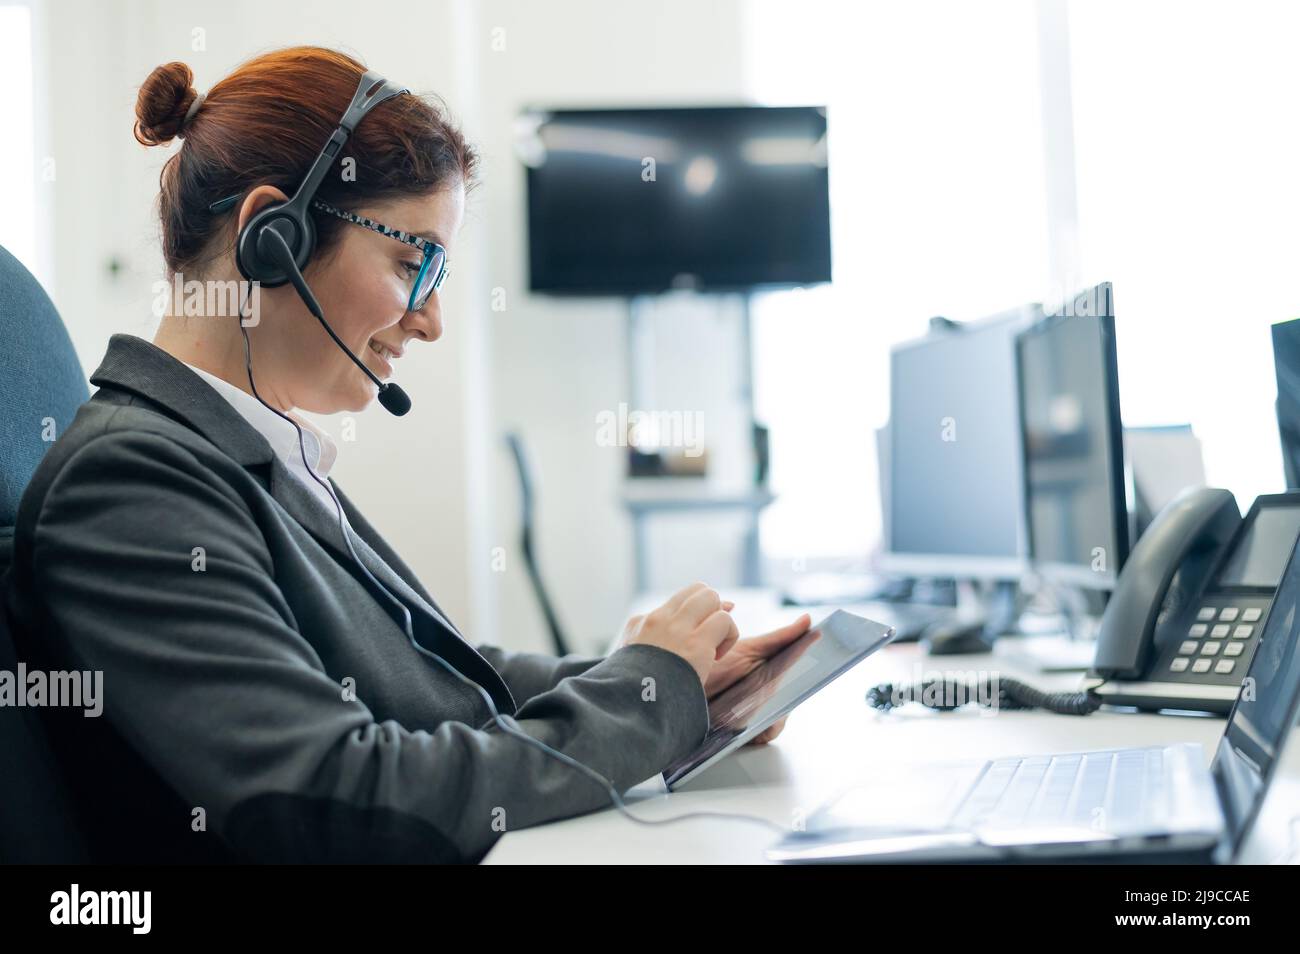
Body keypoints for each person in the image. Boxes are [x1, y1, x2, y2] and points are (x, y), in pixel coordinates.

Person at [5, 46, 808, 864]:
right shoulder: (131, 482)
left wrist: (662, 682)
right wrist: (645, 701)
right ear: (270, 238)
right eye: (411, 259)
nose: (431, 321)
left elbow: (430, 679)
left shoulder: (246, 449)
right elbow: (339, 798)